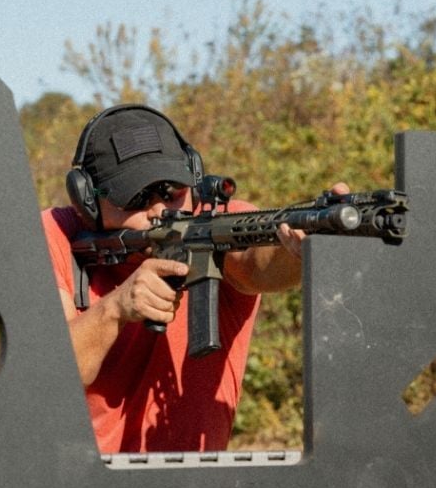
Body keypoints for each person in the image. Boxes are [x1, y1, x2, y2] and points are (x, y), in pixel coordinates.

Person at [40, 104, 346, 453]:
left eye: (172, 191)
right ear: (87, 201)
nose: (159, 210)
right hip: (80, 480)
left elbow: (256, 262)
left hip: (195, 482)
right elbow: (52, 375)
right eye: (135, 198)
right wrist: (116, 308)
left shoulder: (216, 222)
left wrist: (304, 243)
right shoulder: (56, 235)